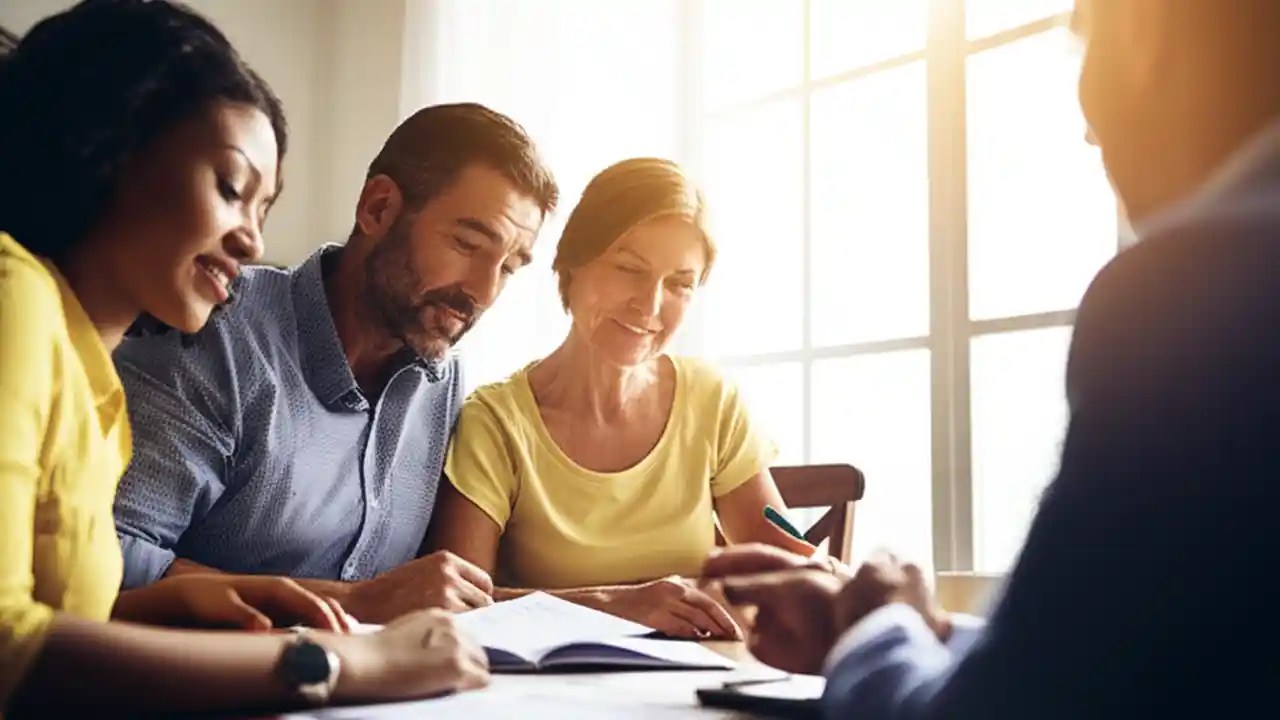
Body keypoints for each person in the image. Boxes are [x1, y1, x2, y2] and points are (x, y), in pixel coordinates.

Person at [701, 0, 1280, 717]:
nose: (1088, 124)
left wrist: (880, 630)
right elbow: (1135, 666)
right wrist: (927, 634)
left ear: (1143, 30)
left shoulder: (1201, 286)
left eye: (1086, 41)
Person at [0, 1, 487, 714]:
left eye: (264, 209)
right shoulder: (15, 300)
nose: (252, 243)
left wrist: (183, 599)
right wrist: (338, 662)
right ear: (107, 150)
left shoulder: (92, 378)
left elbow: (53, 619)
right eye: (231, 189)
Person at [110, 98, 559, 622]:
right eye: (467, 243)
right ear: (378, 209)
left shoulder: (441, 373)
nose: (483, 292)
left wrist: (603, 606)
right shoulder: (215, 336)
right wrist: (355, 604)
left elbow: (431, 591)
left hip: (366, 692)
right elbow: (114, 556)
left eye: (509, 267)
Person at [429, 158, 819, 639]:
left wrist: (831, 579)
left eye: (679, 284)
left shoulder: (711, 401)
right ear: (571, 265)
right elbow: (458, 603)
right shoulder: (496, 421)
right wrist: (616, 604)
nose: (650, 305)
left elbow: (789, 566)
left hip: (695, 688)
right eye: (629, 269)